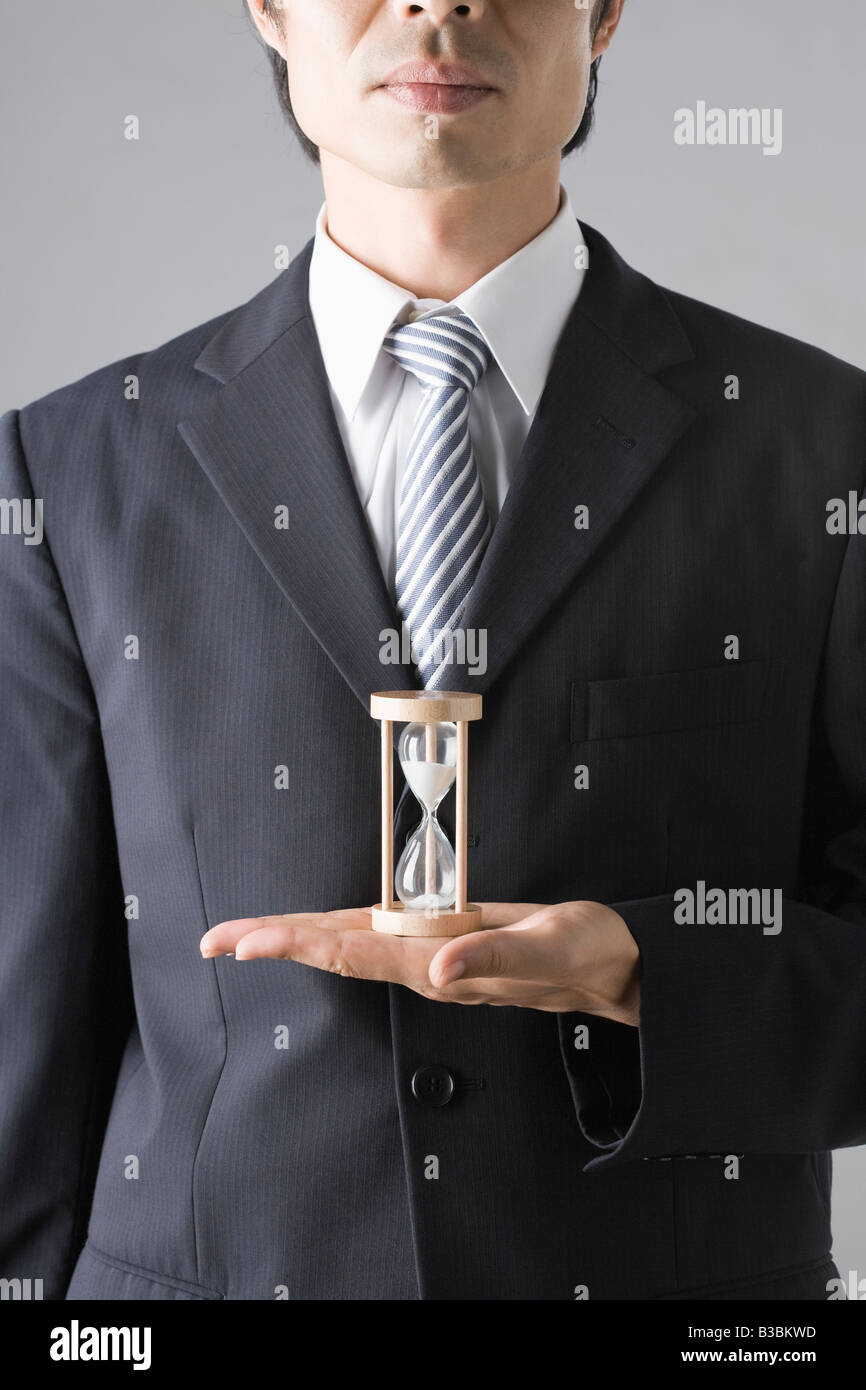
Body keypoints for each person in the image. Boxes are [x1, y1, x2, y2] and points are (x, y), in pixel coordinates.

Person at [1, 0, 864, 1302]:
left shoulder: (818, 448)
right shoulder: (65, 473)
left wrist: (648, 971)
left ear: (605, 13)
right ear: (270, 13)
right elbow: (23, 1024)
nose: (437, 8)